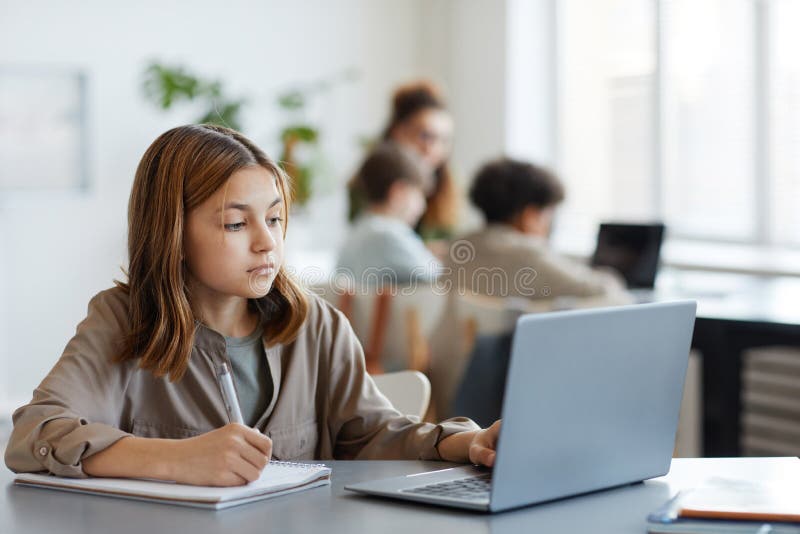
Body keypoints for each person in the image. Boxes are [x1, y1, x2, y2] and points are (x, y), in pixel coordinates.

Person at [4, 124, 500, 486]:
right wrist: (173, 459)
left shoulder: (317, 325)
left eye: (276, 219)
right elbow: (33, 434)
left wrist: (463, 442)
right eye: (237, 224)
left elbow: (371, 434)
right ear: (172, 233)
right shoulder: (123, 322)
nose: (267, 243)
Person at [448, 158, 628, 301]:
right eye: (549, 215)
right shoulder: (526, 255)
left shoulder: (459, 246)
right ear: (530, 217)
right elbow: (602, 291)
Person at [349, 81, 457, 242]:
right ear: (397, 132)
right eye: (425, 136)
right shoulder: (366, 185)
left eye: (443, 140)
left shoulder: (445, 189)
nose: (433, 148)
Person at [337, 142, 441, 285]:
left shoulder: (362, 227)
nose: (422, 207)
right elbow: (439, 279)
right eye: (419, 195)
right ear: (398, 193)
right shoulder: (389, 234)